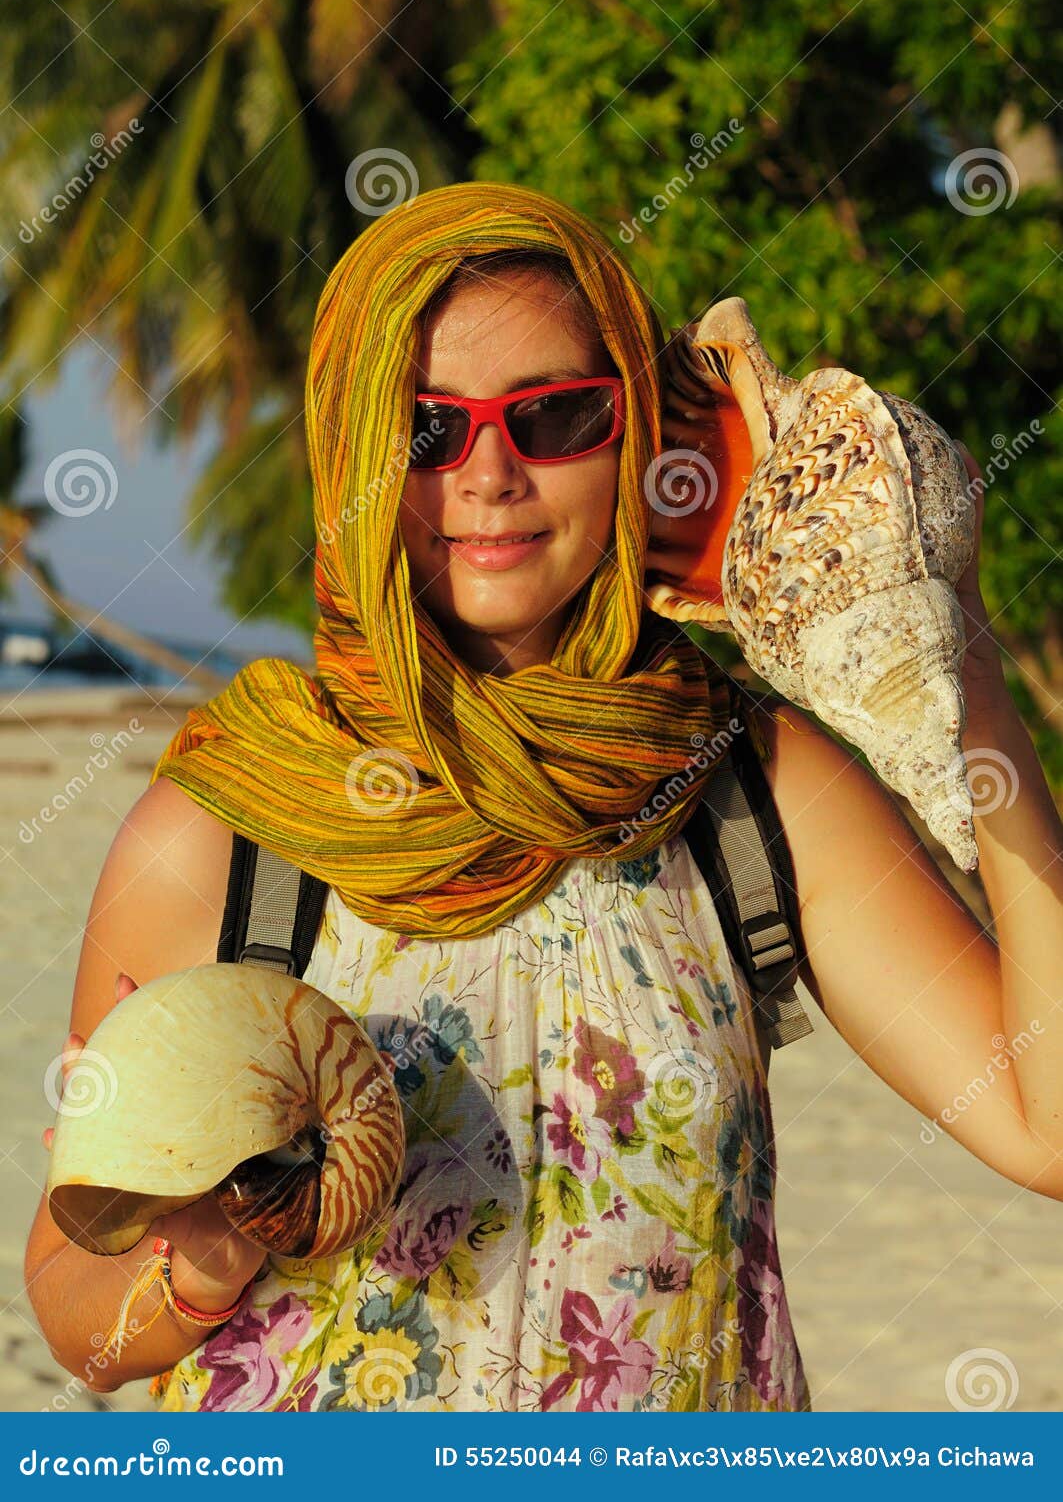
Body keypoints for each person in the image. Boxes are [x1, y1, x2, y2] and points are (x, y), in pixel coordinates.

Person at [24, 183, 1063, 1413]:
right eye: (425, 431)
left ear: (636, 438)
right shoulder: (227, 830)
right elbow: (77, 1322)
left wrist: (968, 680)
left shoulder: (749, 790)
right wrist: (199, 1260)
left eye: (558, 413)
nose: (491, 474)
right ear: (353, 451)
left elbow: (1043, 1126)